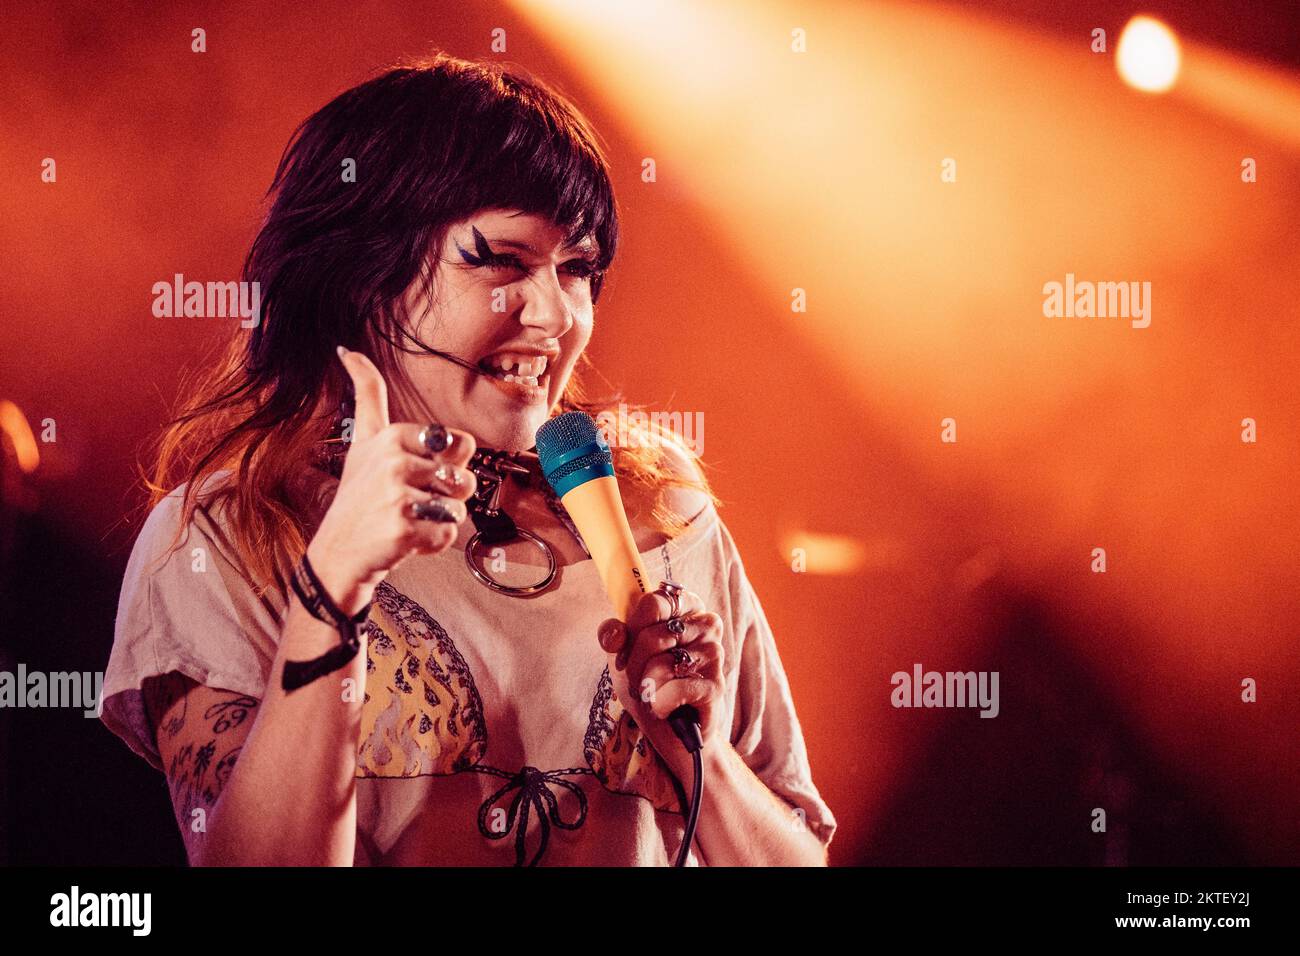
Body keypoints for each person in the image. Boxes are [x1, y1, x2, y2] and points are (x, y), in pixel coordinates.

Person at [100, 52, 836, 866]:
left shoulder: (664, 513)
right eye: (502, 261)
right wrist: (333, 585)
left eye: (579, 269)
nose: (557, 314)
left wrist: (699, 763)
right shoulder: (231, 533)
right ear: (361, 276)